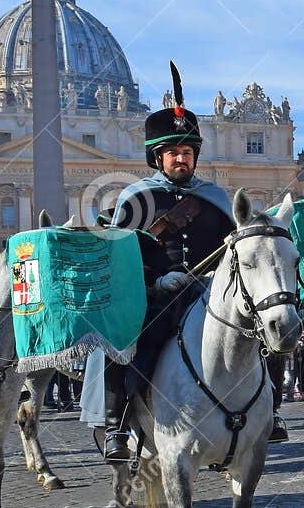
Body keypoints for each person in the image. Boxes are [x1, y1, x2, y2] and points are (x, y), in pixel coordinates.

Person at [97, 62, 246, 462]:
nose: (181, 159)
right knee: (130, 345)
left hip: (207, 294)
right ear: (157, 158)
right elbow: (121, 257)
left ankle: (266, 413)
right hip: (155, 297)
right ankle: (117, 424)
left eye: (187, 152)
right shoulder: (137, 199)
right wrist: (157, 282)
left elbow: (234, 252)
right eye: (173, 153)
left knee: (255, 340)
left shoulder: (215, 199)